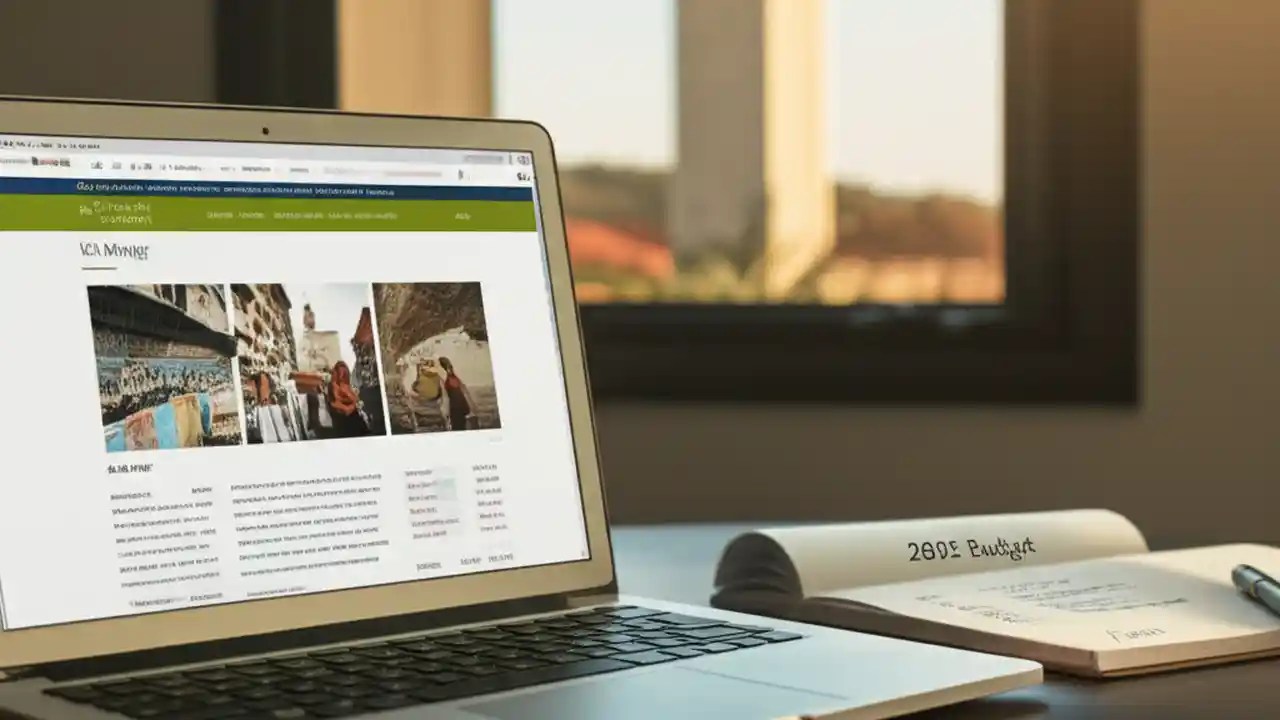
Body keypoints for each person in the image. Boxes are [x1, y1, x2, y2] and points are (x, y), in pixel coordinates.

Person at [327, 360, 370, 438]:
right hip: (342, 421)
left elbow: (355, 399)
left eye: (344, 373)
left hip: (354, 420)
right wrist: (349, 408)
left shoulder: (347, 386)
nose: (342, 375)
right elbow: (333, 403)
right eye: (341, 372)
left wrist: (356, 403)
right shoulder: (333, 386)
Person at [438, 356, 476, 431]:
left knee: (458, 426)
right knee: (460, 426)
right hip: (460, 407)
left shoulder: (447, 378)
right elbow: (463, 389)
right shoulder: (453, 378)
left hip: (456, 408)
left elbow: (446, 396)